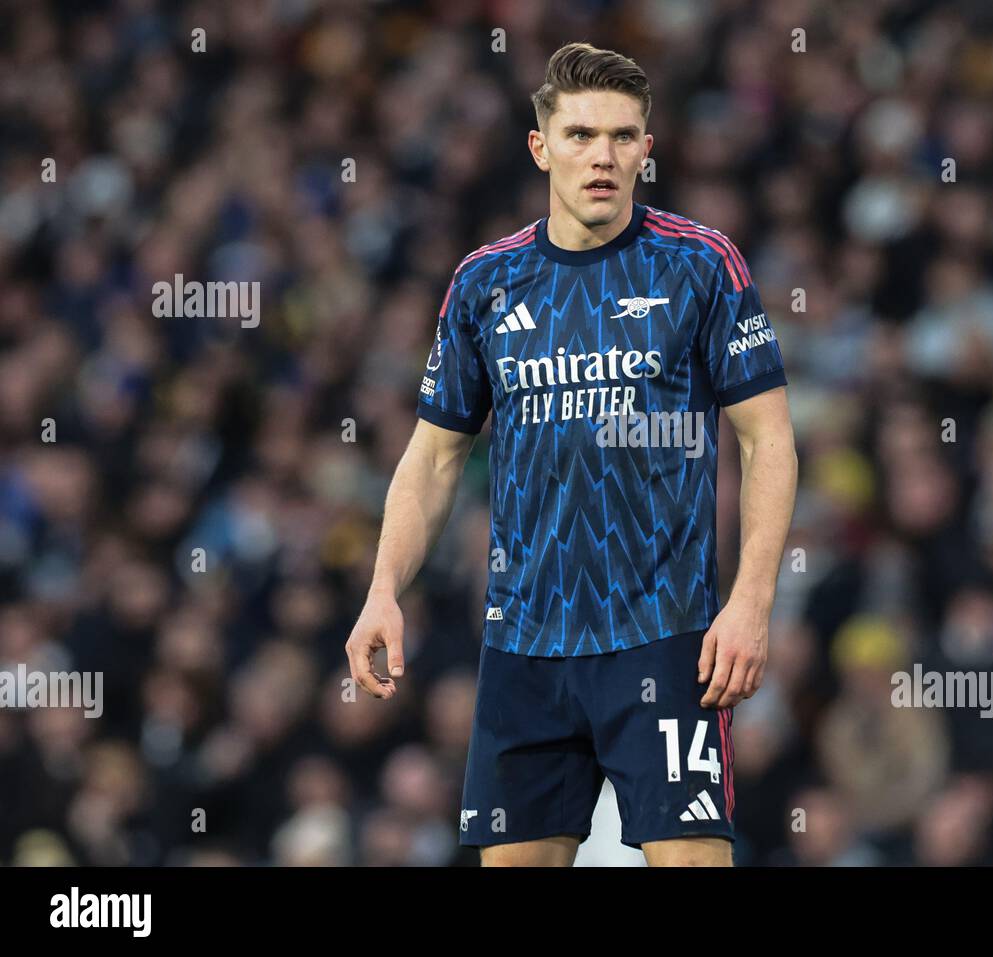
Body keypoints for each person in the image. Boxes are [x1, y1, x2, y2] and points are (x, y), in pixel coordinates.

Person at [344, 41, 798, 866]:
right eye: (583, 134)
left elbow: (768, 439)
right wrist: (382, 589)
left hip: (666, 637)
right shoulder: (486, 282)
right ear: (540, 146)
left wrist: (752, 602)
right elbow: (434, 457)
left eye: (625, 137)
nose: (604, 156)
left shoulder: (701, 265)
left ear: (647, 152)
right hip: (522, 644)